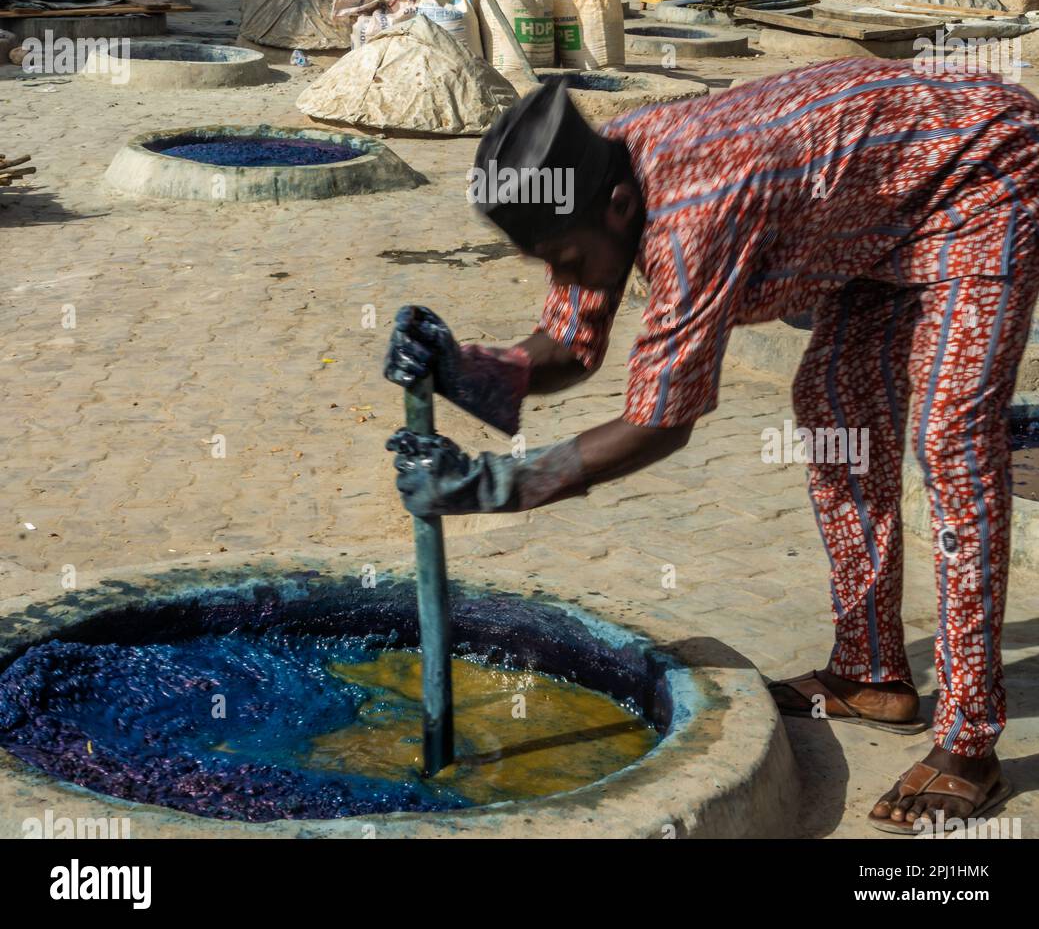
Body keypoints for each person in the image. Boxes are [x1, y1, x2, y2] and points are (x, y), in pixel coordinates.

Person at [384, 60, 1039, 834]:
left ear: (620, 207)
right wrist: (463, 367)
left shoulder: (694, 209)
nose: (564, 275)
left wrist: (499, 485)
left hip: (982, 174)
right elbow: (570, 342)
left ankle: (968, 744)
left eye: (563, 258)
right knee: (831, 408)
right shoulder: (600, 180)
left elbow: (661, 421)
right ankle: (870, 674)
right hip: (878, 208)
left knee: (951, 443)